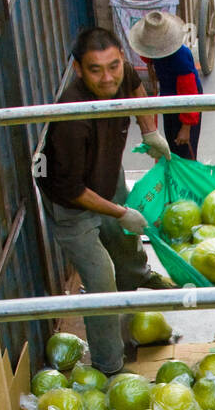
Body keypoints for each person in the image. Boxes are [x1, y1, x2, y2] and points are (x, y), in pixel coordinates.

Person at [36, 26, 173, 378]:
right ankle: (109, 367)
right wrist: (120, 211)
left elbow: (135, 88)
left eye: (113, 66)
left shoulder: (119, 72)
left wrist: (149, 129)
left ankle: (140, 275)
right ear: (79, 69)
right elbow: (72, 190)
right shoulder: (71, 119)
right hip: (72, 202)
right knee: (101, 281)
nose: (107, 76)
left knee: (124, 244)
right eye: (95, 70)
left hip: (106, 174)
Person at [128, 10, 203, 161]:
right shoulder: (154, 52)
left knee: (184, 149)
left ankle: (187, 181)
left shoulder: (180, 58)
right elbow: (146, 56)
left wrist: (186, 128)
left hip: (185, 104)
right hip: (169, 98)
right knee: (172, 143)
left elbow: (189, 96)